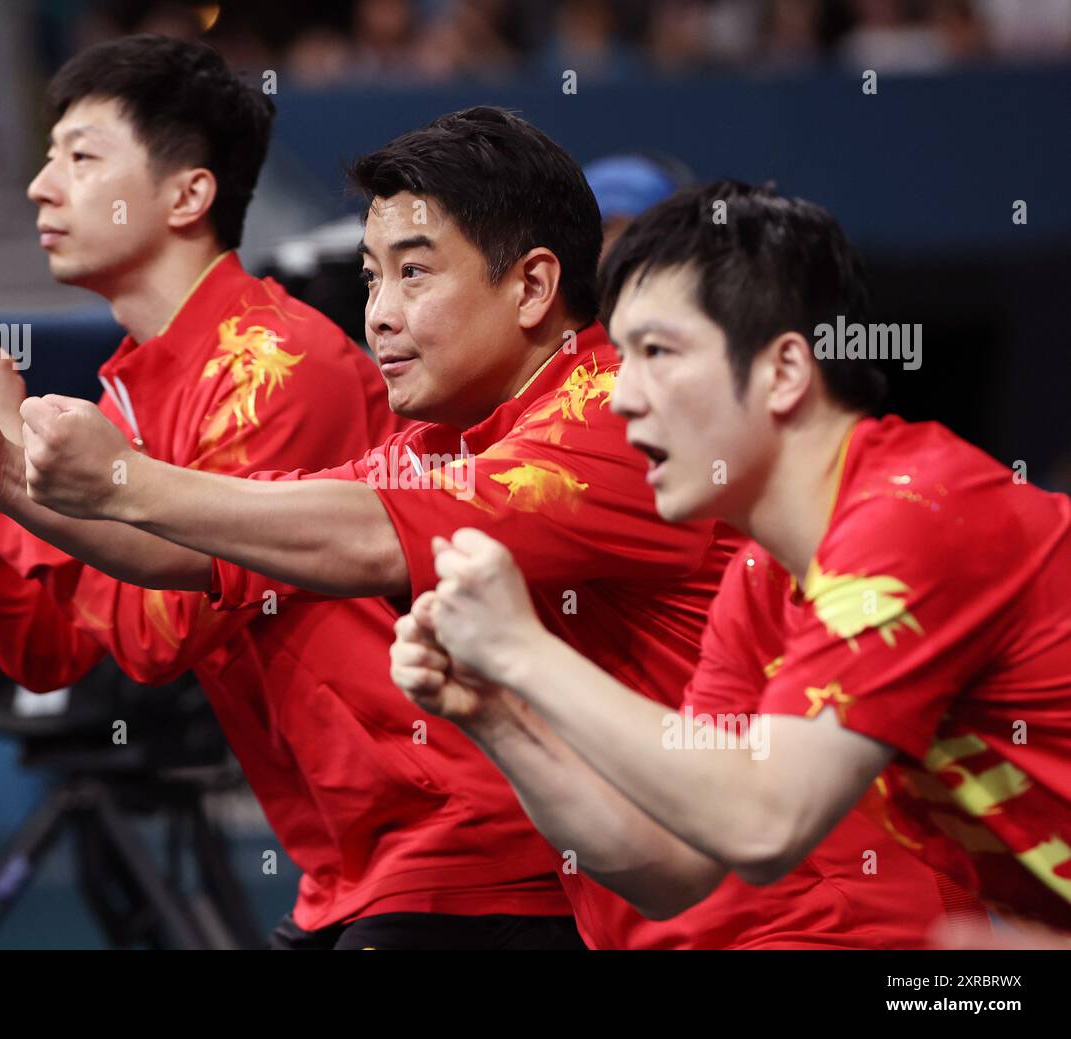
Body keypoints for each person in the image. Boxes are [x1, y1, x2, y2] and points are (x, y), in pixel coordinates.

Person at [0, 109, 971, 948]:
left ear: (534, 286)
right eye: (371, 276)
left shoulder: (600, 417)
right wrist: (14, 486)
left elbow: (359, 536)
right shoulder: (442, 439)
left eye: (415, 272)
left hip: (793, 923)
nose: (379, 313)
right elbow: (216, 546)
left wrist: (125, 475)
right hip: (642, 903)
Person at [0, 39, 587, 950]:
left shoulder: (277, 366)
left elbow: (153, 634)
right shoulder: (132, 396)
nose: (41, 185)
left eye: (81, 155)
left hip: (461, 848)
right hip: (349, 866)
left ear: (190, 194)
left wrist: (13, 467)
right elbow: (51, 650)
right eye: (49, 155)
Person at [390, 180, 1071, 937]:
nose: (621, 396)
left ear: (783, 372)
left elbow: (764, 822)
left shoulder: (914, 516)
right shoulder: (764, 577)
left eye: (656, 352)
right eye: (621, 353)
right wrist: (497, 714)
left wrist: (521, 650)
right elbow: (673, 868)